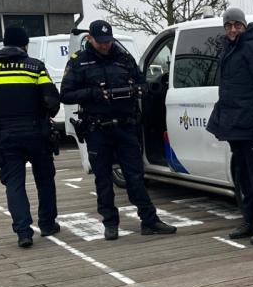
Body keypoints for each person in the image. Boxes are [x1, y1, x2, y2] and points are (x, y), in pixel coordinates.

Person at [62, 20, 176, 240]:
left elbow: (143, 83)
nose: (105, 46)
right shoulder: (79, 62)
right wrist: (94, 94)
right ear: (90, 39)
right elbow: (65, 94)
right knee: (103, 179)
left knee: (135, 176)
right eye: (101, 42)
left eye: (108, 41)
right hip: (98, 128)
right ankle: (110, 223)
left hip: (125, 125)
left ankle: (149, 220)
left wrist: (137, 90)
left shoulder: (124, 58)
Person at [0, 26, 60, 248]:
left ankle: (23, 232)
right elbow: (52, 100)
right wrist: (44, 114)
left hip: (6, 133)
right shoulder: (35, 67)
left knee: (14, 184)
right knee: (45, 180)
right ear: (25, 45)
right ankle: (47, 225)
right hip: (36, 132)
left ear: (3, 44)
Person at [207, 7, 253, 245]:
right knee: (243, 178)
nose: (232, 29)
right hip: (234, 126)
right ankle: (249, 221)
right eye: (228, 25)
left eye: (237, 25)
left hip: (252, 126)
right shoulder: (229, 50)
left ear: (244, 26)